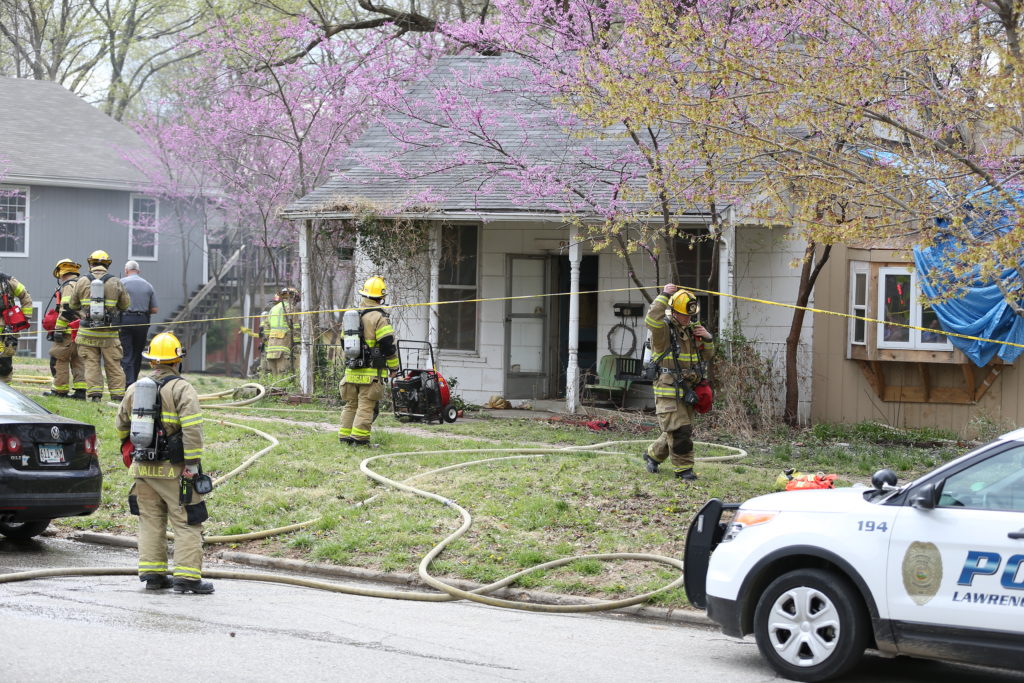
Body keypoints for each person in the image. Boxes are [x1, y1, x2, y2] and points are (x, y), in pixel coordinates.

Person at [115, 332, 212, 594]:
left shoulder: (135, 388)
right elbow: (192, 430)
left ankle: (153, 575)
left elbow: (121, 425)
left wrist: (131, 451)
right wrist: (191, 466)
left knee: (150, 520)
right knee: (187, 520)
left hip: (142, 468)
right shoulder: (182, 389)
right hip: (175, 470)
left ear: (151, 361)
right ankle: (188, 578)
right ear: (177, 359)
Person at [642, 284, 714, 481]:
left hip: (688, 389)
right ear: (673, 311)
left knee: (675, 429)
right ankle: (684, 470)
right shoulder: (662, 330)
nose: (688, 319)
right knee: (681, 430)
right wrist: (665, 294)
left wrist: (707, 338)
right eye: (684, 315)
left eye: (690, 316)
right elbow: (651, 319)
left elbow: (707, 355)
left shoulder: (692, 330)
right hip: (668, 389)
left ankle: (652, 455)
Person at [338, 276, 399, 446]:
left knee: (351, 405)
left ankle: (344, 437)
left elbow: (344, 343)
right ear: (381, 298)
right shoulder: (379, 318)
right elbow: (388, 346)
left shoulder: (352, 316)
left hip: (351, 371)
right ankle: (359, 440)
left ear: (364, 295)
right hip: (371, 374)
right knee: (365, 406)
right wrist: (394, 367)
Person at [67, 249, 131, 401]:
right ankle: (117, 396)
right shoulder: (115, 281)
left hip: (87, 334)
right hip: (109, 334)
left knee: (91, 364)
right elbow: (125, 305)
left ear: (90, 264)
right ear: (107, 264)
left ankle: (95, 395)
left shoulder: (81, 281)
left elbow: (72, 305)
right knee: (113, 365)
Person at [44, 259, 86, 399]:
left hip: (68, 330)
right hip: (80, 330)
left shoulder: (68, 286)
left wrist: (58, 330)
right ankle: (81, 392)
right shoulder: (81, 284)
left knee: (58, 358)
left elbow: (67, 310)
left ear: (61, 273)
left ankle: (59, 391)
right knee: (77, 360)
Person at [119, 260, 159, 386]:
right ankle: (134, 382)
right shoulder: (148, 285)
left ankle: (128, 384)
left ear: (126, 271)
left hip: (125, 320)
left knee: (126, 353)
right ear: (139, 271)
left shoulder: (121, 283)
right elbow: (154, 309)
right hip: (142, 322)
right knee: (137, 353)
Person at [0, 270, 33, 383]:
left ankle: (5, 391)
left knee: (5, 361)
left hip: (6, 327)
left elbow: (25, 295)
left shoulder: (7, 281)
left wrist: (26, 317)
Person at [264, 287, 300, 375]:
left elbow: (266, 328)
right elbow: (295, 328)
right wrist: (297, 344)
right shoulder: (290, 308)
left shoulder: (273, 309)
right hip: (283, 345)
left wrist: (269, 340)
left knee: (274, 375)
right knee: (283, 374)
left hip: (271, 347)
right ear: (292, 297)